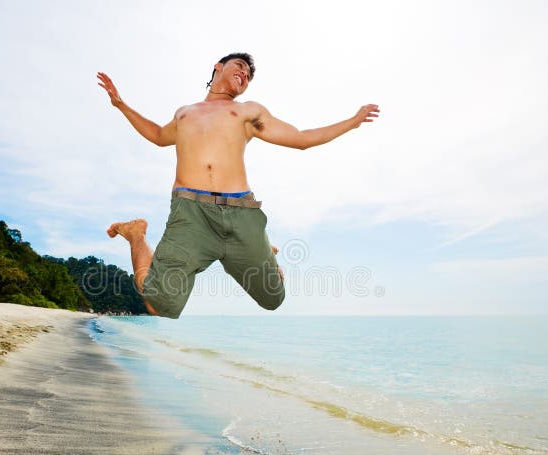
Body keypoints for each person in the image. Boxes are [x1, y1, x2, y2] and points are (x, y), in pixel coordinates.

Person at [97, 53, 379, 318]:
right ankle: (136, 234)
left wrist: (352, 122)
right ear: (218, 67)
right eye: (239, 66)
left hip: (241, 213)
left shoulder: (247, 112)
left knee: (273, 299)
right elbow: (158, 135)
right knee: (160, 303)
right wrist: (121, 104)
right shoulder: (185, 113)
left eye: (249, 74)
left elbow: (301, 138)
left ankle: (263, 246)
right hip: (191, 214)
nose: (245, 73)